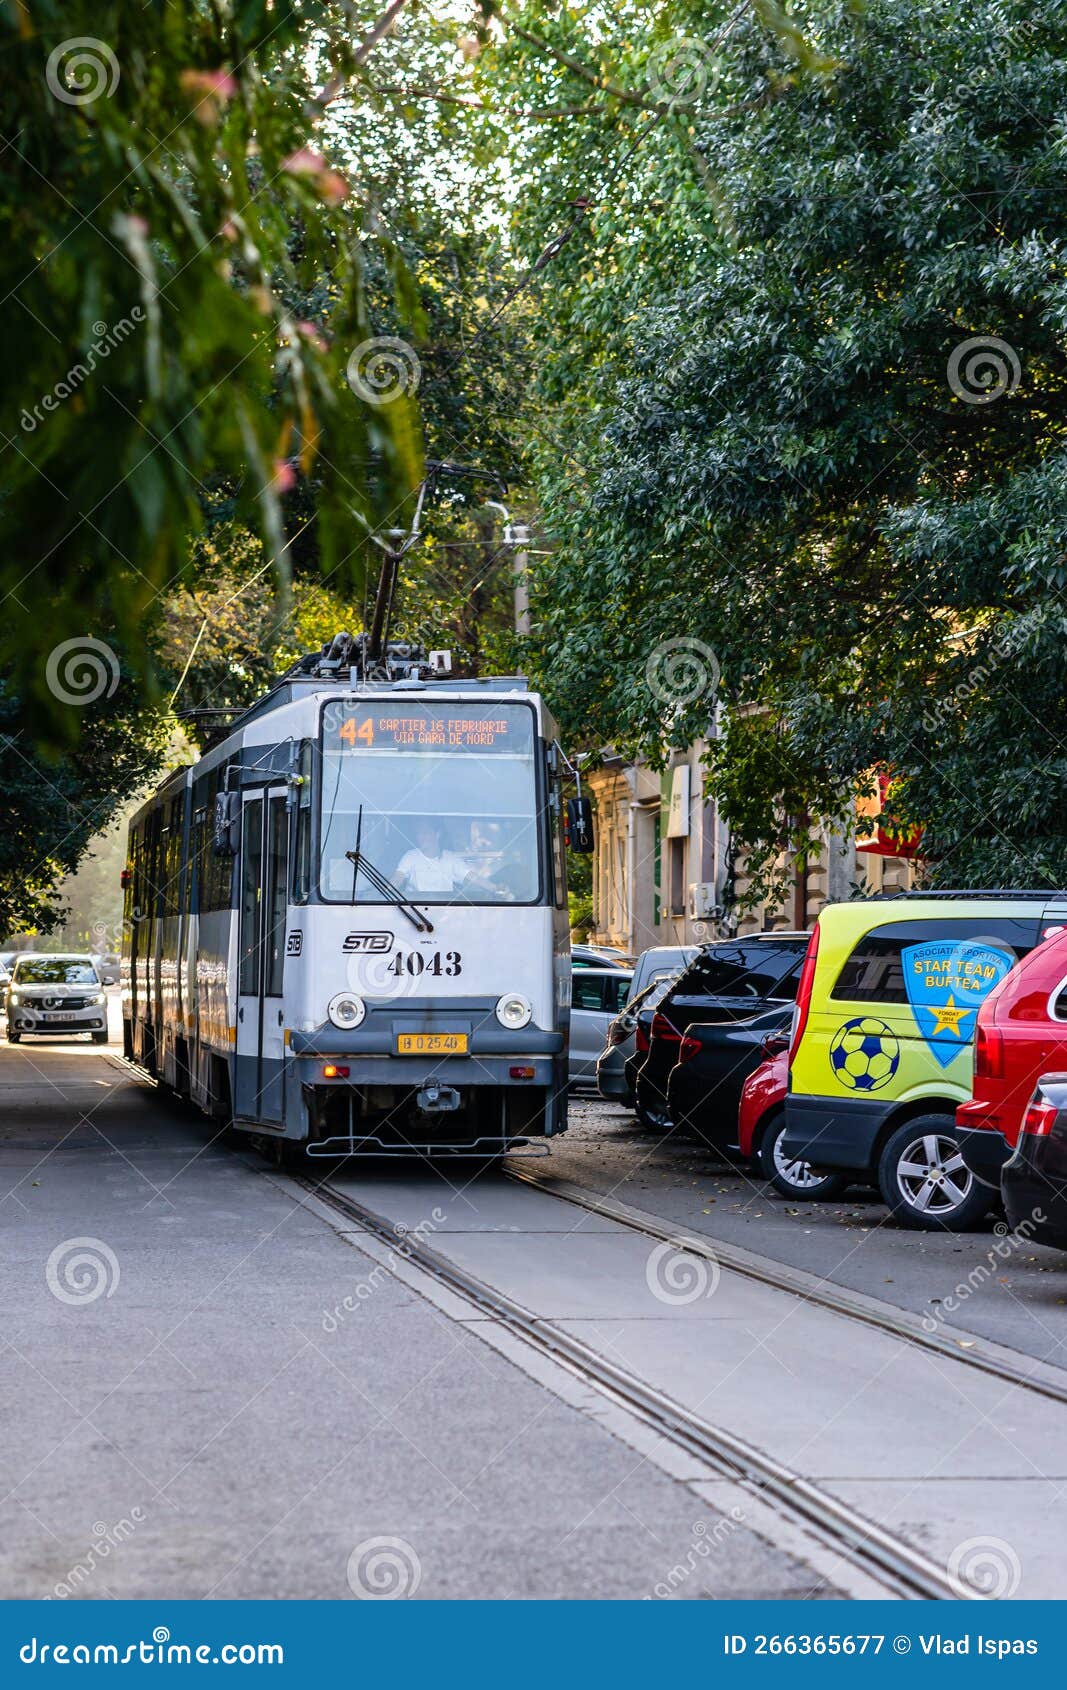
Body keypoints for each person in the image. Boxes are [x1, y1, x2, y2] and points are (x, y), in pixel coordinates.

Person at [395, 820, 475, 895]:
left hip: (446, 908)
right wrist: (387, 891)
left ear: (438, 834)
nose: (420, 837)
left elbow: (472, 877)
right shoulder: (410, 856)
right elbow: (398, 877)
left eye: (425, 833)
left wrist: (488, 887)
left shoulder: (451, 858)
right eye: (418, 833)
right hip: (413, 907)